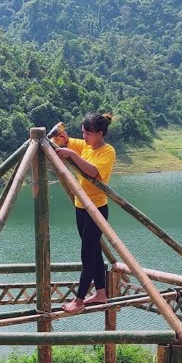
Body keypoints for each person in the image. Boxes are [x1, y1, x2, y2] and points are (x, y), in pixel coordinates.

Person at [53, 112, 117, 314]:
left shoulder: (108, 151)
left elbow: (93, 172)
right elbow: (69, 142)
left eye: (88, 133)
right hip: (81, 207)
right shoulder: (86, 146)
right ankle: (100, 293)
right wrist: (63, 140)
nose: (85, 137)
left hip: (96, 209)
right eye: (83, 133)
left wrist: (72, 155)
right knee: (93, 252)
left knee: (87, 254)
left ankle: (79, 300)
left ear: (99, 134)